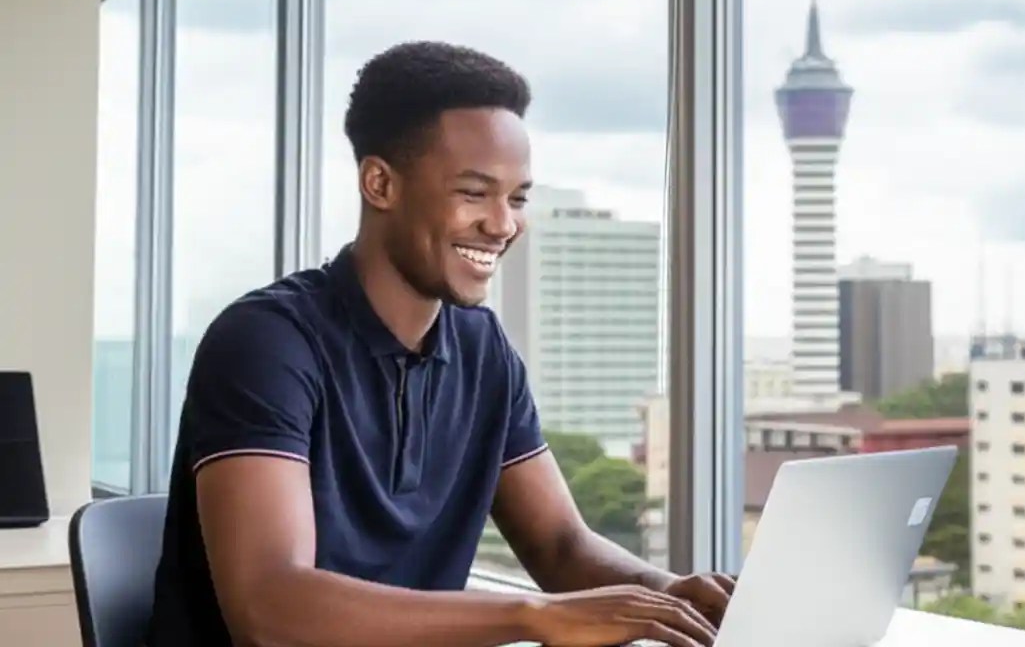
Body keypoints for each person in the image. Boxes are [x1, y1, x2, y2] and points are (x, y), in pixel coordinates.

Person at [146, 41, 734, 647]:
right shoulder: (266, 343)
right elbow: (270, 608)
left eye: (518, 197)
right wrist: (533, 615)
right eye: (474, 193)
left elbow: (559, 544)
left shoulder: (483, 350)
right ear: (380, 183)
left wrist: (670, 595)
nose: (504, 224)